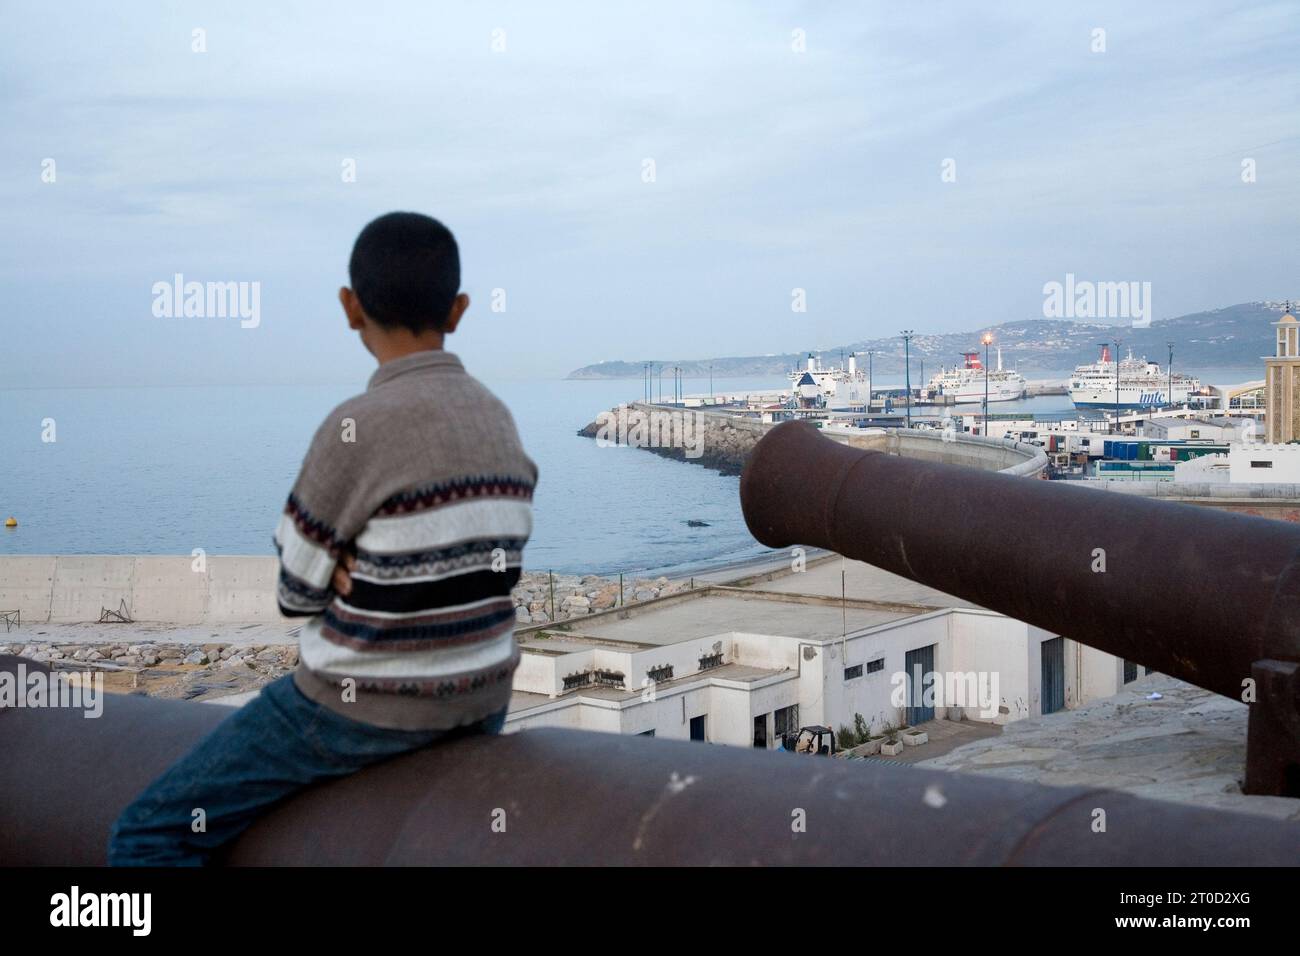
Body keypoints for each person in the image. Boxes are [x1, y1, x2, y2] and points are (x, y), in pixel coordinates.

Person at [108, 212, 538, 865]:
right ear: (458, 309)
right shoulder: (499, 421)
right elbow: (496, 567)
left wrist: (349, 571)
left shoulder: (355, 428)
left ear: (349, 307)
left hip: (359, 707)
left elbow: (295, 591)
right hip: (481, 699)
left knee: (149, 832)